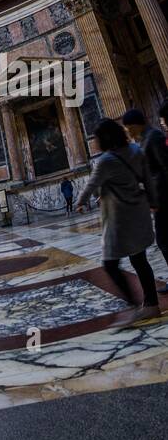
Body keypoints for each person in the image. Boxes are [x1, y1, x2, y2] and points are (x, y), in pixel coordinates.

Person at [77, 118, 160, 322]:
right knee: (139, 259)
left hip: (119, 218)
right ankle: (151, 305)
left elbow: (91, 184)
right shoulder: (135, 150)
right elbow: (147, 178)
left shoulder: (106, 160)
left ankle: (133, 304)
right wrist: (153, 200)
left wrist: (80, 202)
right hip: (138, 211)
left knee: (110, 264)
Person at [123, 106, 168, 293]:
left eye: (127, 128)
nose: (127, 132)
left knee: (164, 240)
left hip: (165, 199)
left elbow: (165, 169)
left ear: (134, 125)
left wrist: (158, 199)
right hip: (159, 200)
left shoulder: (153, 138)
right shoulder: (145, 140)